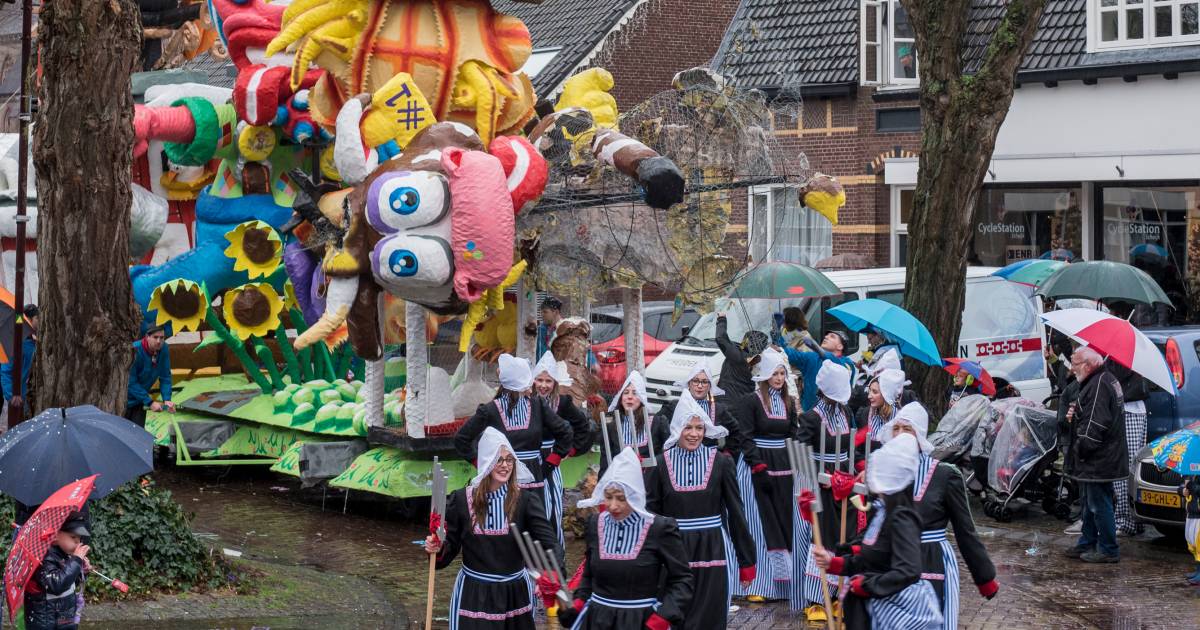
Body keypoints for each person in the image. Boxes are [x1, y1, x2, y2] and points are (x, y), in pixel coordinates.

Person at [425, 427, 561, 629]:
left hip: (515, 595)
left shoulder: (525, 501)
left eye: (509, 459)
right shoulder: (461, 500)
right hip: (474, 595)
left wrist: (552, 574)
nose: (505, 465)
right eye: (499, 459)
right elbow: (447, 552)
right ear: (487, 461)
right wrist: (437, 548)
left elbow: (550, 543)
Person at [880, 402, 998, 627]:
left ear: (920, 436)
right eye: (897, 429)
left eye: (908, 430)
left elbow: (965, 530)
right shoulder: (883, 473)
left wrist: (984, 576)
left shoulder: (945, 475)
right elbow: (872, 525)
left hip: (931, 560)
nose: (900, 435)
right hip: (893, 561)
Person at [812, 433, 942, 630]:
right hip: (875, 606)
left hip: (898, 611)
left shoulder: (902, 517)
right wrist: (835, 563)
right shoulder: (883, 512)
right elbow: (872, 557)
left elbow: (909, 570)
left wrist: (867, 586)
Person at [646, 396, 755, 629]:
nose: (694, 434)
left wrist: (747, 560)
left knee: (710, 614)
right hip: (674, 551)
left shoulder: (721, 463)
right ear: (677, 429)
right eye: (688, 427)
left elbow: (736, 513)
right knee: (676, 614)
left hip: (712, 547)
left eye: (699, 428)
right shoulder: (661, 464)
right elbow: (651, 515)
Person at [560, 447, 693, 630]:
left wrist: (662, 617)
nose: (613, 506)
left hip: (639, 621)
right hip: (598, 620)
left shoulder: (659, 528)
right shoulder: (595, 524)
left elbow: (682, 579)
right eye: (608, 497)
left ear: (635, 496)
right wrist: (579, 601)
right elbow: (589, 574)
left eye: (621, 498)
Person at [455, 354, 573, 507]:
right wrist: (483, 464)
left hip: (533, 476)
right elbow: (461, 439)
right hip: (501, 478)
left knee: (532, 521)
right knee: (505, 520)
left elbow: (565, 432)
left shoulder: (537, 405)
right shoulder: (490, 410)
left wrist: (551, 462)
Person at [793, 361, 856, 620]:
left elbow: (852, 447)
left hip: (845, 483)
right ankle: (816, 598)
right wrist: (815, 478)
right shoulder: (811, 418)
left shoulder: (845, 413)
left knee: (844, 537)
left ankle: (839, 593)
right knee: (821, 538)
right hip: (821, 485)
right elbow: (798, 453)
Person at [732, 348, 794, 602]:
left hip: (784, 466)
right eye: (774, 373)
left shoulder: (788, 402)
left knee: (783, 521)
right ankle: (758, 583)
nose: (778, 378)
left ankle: (785, 582)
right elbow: (745, 436)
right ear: (765, 375)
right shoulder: (751, 401)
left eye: (782, 373)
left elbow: (793, 433)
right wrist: (757, 466)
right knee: (759, 523)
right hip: (757, 466)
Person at [1062, 346, 1126, 563]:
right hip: (1099, 456)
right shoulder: (1100, 380)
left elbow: (1096, 424)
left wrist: (1080, 448)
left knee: (1099, 503)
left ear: (1088, 366)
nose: (1072, 368)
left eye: (1075, 363)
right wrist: (1076, 411)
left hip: (1099, 457)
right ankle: (1087, 542)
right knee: (1091, 502)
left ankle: (1108, 549)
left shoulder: (1100, 383)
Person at [531, 351, 593, 549]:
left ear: (555, 383)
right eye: (539, 380)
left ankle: (555, 554)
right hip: (527, 459)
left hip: (551, 458)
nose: (543, 385)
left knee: (552, 506)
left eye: (548, 381)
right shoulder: (526, 401)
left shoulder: (562, 403)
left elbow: (583, 427)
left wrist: (569, 451)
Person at [652, 363, 752, 466]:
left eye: (704, 382)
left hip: (710, 464)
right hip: (679, 461)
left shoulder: (717, 409)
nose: (700, 386)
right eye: (695, 381)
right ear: (689, 384)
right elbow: (656, 427)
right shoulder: (674, 406)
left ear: (709, 386)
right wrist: (666, 450)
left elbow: (736, 431)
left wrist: (728, 453)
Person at [1104, 356, 1150, 537]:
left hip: (1128, 411)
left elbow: (1118, 378)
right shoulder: (1118, 355)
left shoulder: (1121, 356)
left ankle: (1126, 521)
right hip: (1128, 410)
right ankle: (1129, 519)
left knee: (1124, 466)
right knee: (1127, 467)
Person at [25, 513, 90, 630]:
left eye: (80, 538)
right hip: (46, 621)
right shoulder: (43, 558)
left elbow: (71, 583)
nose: (78, 542)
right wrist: (75, 561)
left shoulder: (67, 554)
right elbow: (56, 585)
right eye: (73, 537)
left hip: (65, 617)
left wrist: (82, 571)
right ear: (55, 535)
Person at [775, 327, 856, 412]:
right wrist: (778, 333)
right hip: (809, 414)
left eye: (832, 336)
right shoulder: (812, 357)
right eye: (826, 335)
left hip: (835, 415)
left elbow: (839, 369)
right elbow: (786, 353)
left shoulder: (848, 364)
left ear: (840, 346)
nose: (826, 337)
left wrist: (818, 349)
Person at [599, 371, 657, 476]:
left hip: (647, 484)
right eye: (626, 392)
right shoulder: (611, 426)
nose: (629, 397)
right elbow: (605, 464)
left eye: (635, 393)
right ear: (621, 399)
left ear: (642, 399)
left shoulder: (656, 423)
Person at [714, 312, 768, 404]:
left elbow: (721, 338)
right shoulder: (760, 361)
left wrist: (721, 319)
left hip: (727, 401)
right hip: (745, 403)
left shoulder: (738, 356)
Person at [126, 325, 174, 427]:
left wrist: (167, 399)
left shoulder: (164, 349)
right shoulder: (135, 350)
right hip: (123, 399)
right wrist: (150, 402)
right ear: (147, 337)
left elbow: (165, 376)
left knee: (137, 435)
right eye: (155, 337)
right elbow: (130, 381)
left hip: (140, 401)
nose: (158, 341)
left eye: (162, 338)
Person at [856, 368, 906, 449]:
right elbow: (858, 448)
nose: (869, 396)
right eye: (870, 391)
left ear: (886, 394)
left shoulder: (900, 419)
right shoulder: (865, 414)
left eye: (875, 392)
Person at [3, 304, 38, 417]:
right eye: (38, 318)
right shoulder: (17, 344)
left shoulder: (33, 342)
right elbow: (5, 371)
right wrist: (12, 396)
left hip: (31, 397)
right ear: (29, 320)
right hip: (20, 400)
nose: (40, 321)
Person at [1178, 475, 1200, 585]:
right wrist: (1182, 490)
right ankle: (1198, 570)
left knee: (1199, 543)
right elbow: (1181, 485)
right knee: (1193, 544)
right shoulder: (1191, 471)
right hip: (1191, 513)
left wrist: (1190, 485)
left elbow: (1197, 489)